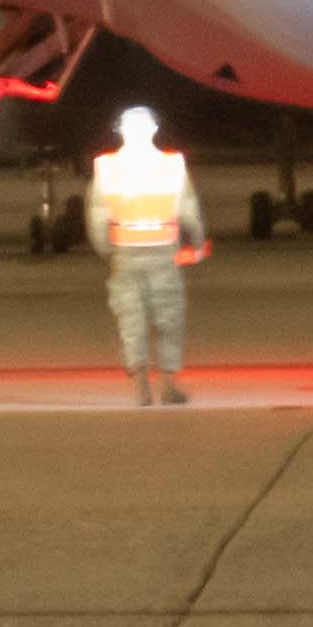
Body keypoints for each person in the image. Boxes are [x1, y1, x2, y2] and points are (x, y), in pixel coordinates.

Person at [86, 105, 210, 403]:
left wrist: (108, 251)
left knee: (131, 320)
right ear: (155, 129)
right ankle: (169, 384)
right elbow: (189, 210)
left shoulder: (107, 167)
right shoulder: (172, 165)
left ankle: (142, 386)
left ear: (121, 131)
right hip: (163, 253)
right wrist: (197, 244)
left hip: (124, 255)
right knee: (168, 318)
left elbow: (97, 217)